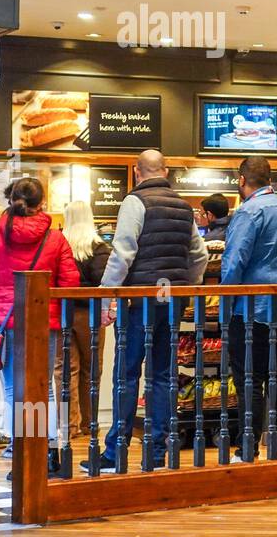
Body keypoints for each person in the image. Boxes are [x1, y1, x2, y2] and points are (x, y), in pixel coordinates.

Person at [89, 150, 208, 472]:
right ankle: (157, 451)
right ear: (165, 171)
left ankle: (116, 451)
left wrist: (105, 298)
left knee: (126, 375)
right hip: (171, 301)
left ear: (136, 171)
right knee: (162, 376)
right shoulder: (184, 206)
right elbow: (200, 255)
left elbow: (122, 254)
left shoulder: (134, 202)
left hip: (138, 300)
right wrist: (187, 285)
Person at [0, 178, 83, 471]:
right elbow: (71, 281)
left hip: (4, 319)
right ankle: (48, 448)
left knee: (14, 388)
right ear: (42, 203)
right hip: (44, 321)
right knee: (45, 389)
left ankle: (20, 449)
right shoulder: (55, 238)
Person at [222, 156, 277, 462]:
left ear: (241, 180)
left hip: (252, 307)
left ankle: (247, 449)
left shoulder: (249, 212)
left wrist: (225, 305)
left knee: (250, 379)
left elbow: (234, 264)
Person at [61, 200, 112, 437]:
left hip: (63, 312)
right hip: (90, 314)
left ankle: (69, 425)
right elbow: (105, 282)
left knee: (66, 370)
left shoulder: (58, 244)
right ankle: (89, 423)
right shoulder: (99, 247)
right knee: (91, 370)